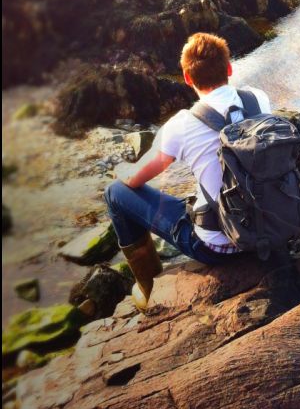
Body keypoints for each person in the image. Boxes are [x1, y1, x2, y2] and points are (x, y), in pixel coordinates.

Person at [104, 32, 271, 311]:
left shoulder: (181, 125)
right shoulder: (258, 99)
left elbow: (135, 179)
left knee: (115, 193)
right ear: (229, 69)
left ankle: (147, 288)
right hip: (274, 227)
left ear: (187, 78)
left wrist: (121, 169)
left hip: (220, 247)